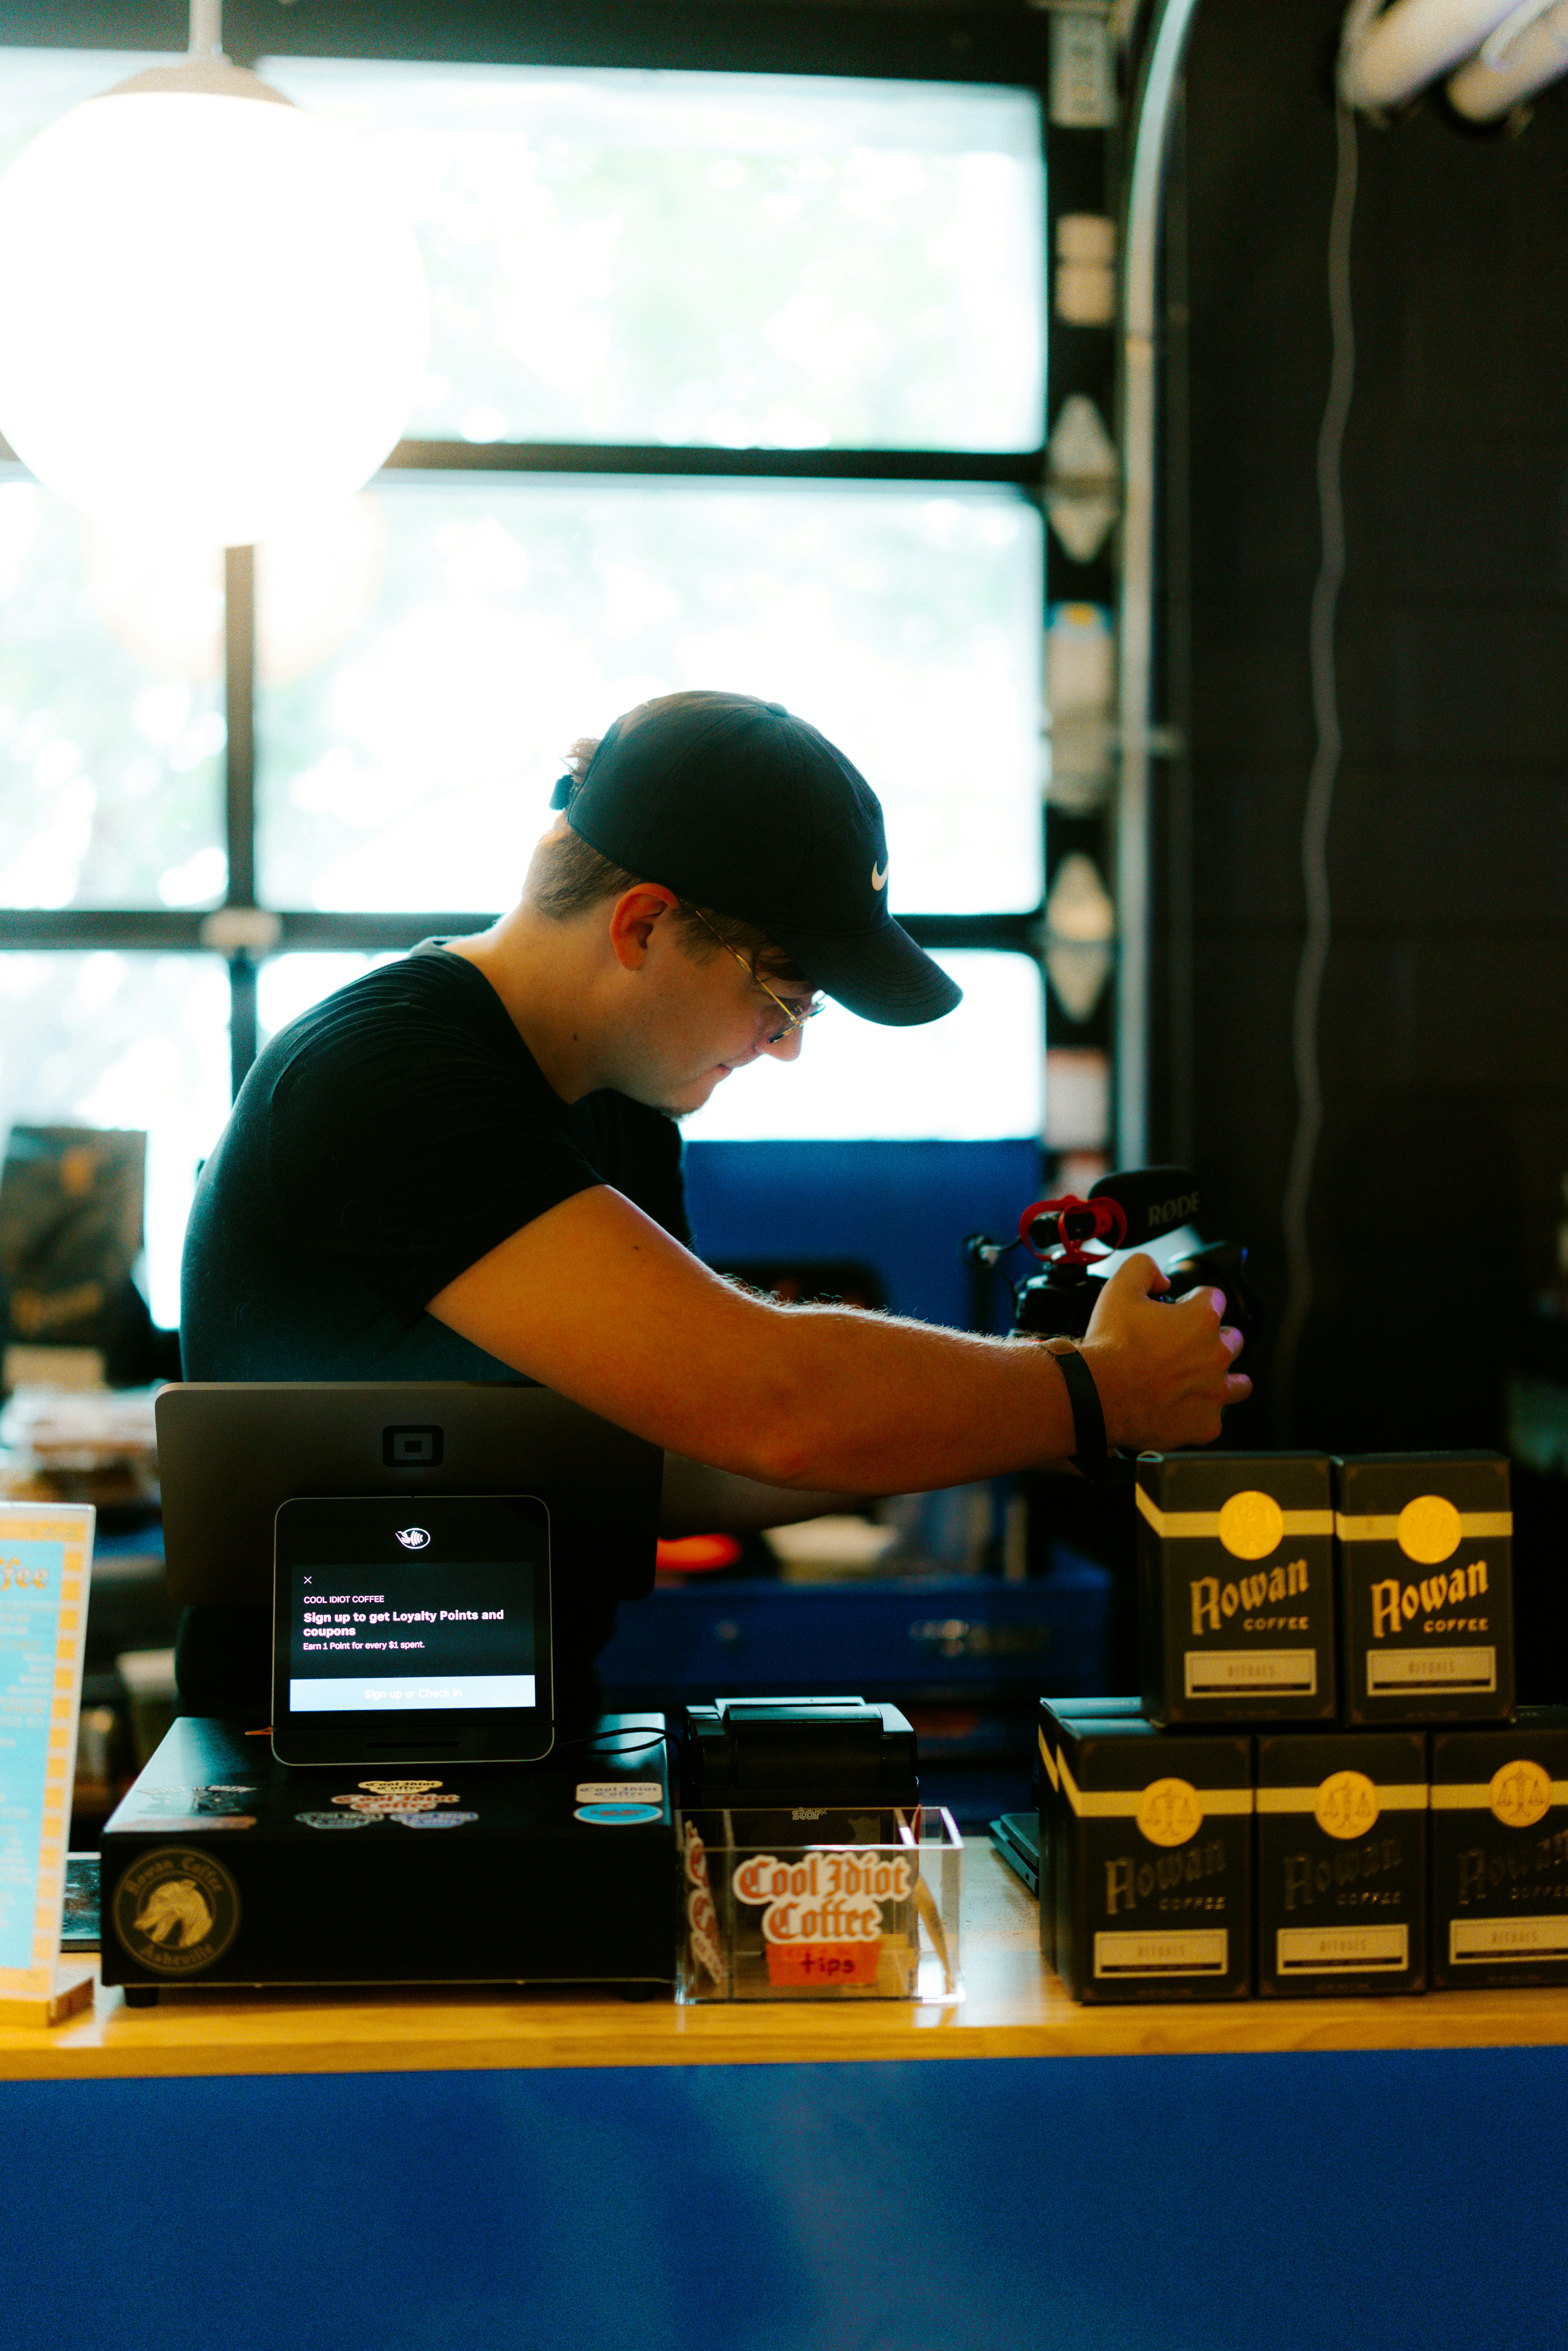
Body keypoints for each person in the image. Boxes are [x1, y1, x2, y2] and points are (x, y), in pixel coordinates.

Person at [178, 689, 1248, 1712]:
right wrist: (1092, 1392)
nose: (785, 1047)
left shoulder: (616, 1108)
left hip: (535, 1734)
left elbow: (683, 1455)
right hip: (316, 1766)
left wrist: (1023, 1412)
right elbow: (767, 1400)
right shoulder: (391, 1076)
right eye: (782, 996)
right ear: (642, 925)